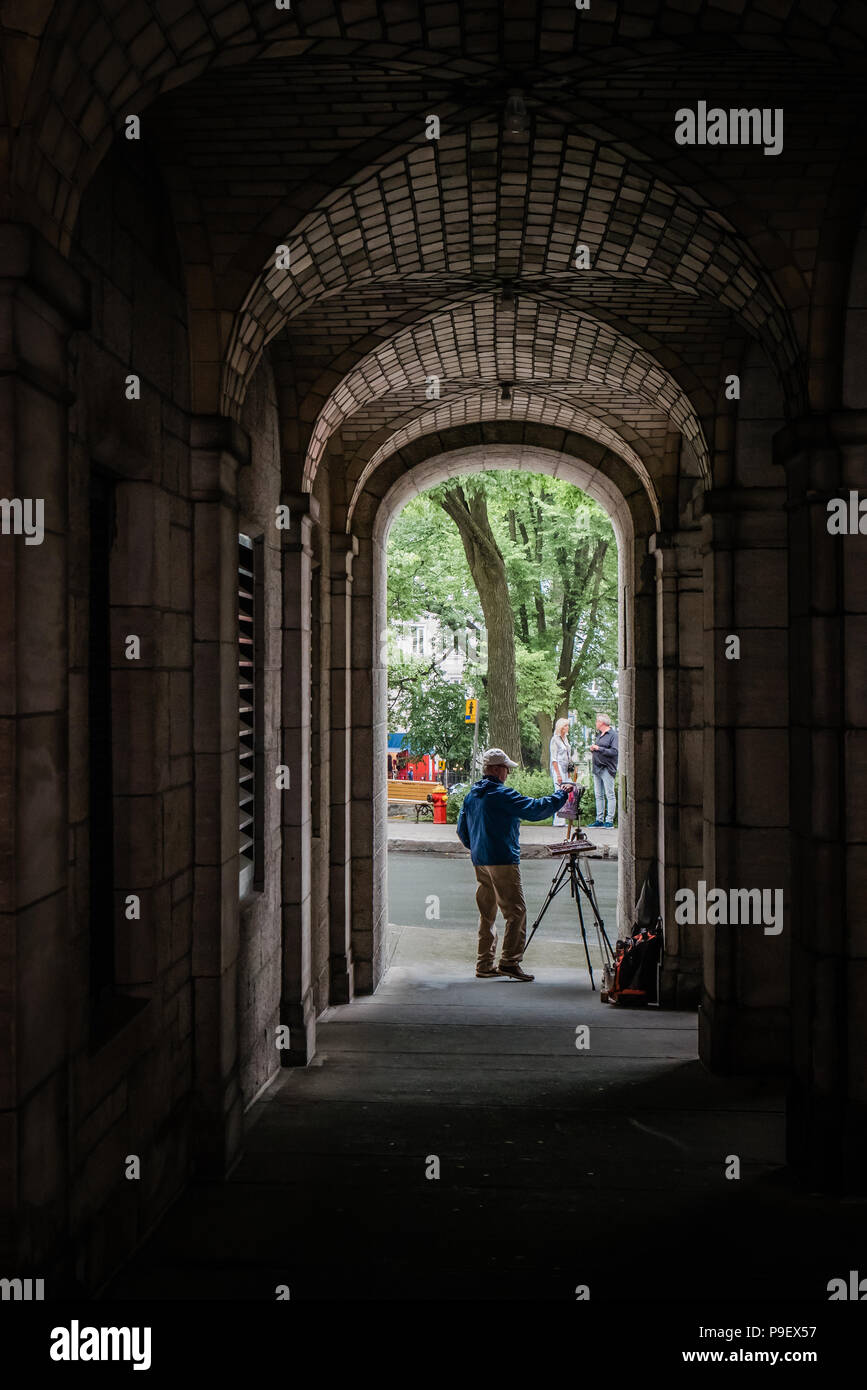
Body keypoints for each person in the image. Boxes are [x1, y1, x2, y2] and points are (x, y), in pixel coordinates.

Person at [456, 747, 571, 983]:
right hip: (502, 859)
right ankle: (509, 962)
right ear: (497, 770)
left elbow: (462, 830)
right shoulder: (501, 795)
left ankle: (484, 963)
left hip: (480, 861)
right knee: (515, 912)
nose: (507, 773)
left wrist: (477, 847)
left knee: (487, 914)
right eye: (506, 768)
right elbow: (535, 809)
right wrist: (562, 795)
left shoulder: (471, 796)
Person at [588, 714, 618, 828]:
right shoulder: (600, 735)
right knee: (598, 795)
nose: (596, 723)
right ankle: (599, 820)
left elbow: (614, 752)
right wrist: (593, 750)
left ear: (602, 723)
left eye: (597, 721)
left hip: (607, 769)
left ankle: (609, 821)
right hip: (597, 768)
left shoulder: (613, 735)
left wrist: (598, 748)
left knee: (609, 795)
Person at [549, 717, 572, 828]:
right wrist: (558, 774)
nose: (568, 727)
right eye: (566, 726)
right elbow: (554, 759)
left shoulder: (566, 739)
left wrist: (569, 772)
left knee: (566, 793)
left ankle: (563, 818)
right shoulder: (555, 739)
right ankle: (557, 820)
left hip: (566, 769)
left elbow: (568, 756)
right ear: (561, 728)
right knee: (559, 792)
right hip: (558, 769)